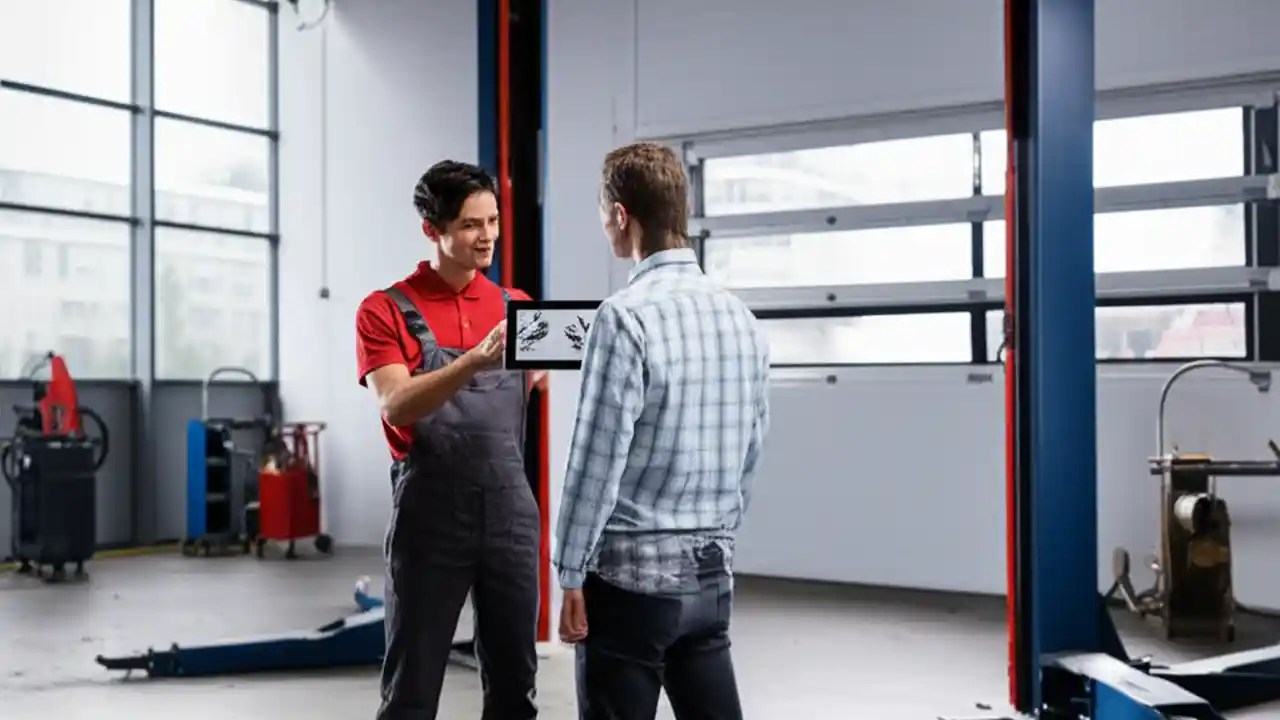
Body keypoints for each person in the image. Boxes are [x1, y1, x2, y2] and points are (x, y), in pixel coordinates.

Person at [553, 142, 772, 719]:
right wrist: (716, 534)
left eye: (604, 216)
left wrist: (570, 570)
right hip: (710, 577)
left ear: (622, 215)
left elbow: (594, 462)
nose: (605, 228)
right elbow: (752, 449)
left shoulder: (625, 316)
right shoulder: (741, 318)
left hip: (631, 584)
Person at [355, 160, 540, 720]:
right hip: (430, 516)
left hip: (510, 512)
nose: (486, 237)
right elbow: (396, 402)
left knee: (514, 686)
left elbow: (542, 386)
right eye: (468, 225)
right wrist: (478, 362)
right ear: (431, 229)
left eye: (492, 221)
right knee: (412, 688)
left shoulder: (520, 307)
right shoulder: (384, 309)